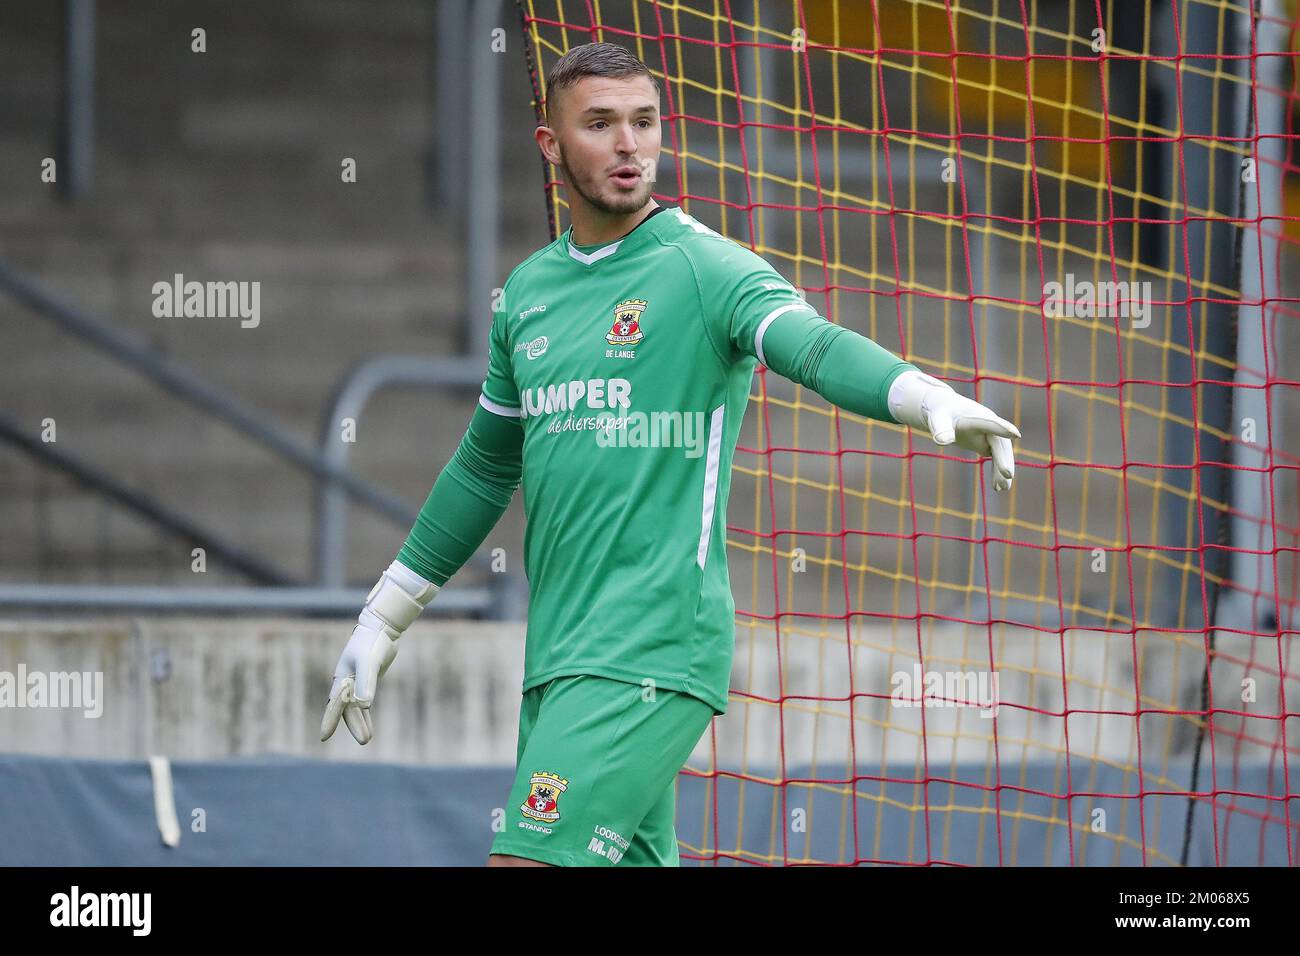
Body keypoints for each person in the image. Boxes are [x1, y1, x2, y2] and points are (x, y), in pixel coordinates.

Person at [320, 41, 1021, 867]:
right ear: (551, 146)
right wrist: (384, 615)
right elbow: (482, 466)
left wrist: (922, 395)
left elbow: (813, 346)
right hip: (560, 658)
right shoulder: (530, 294)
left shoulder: (704, 268)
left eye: (644, 122)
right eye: (601, 123)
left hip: (650, 648)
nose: (629, 145)